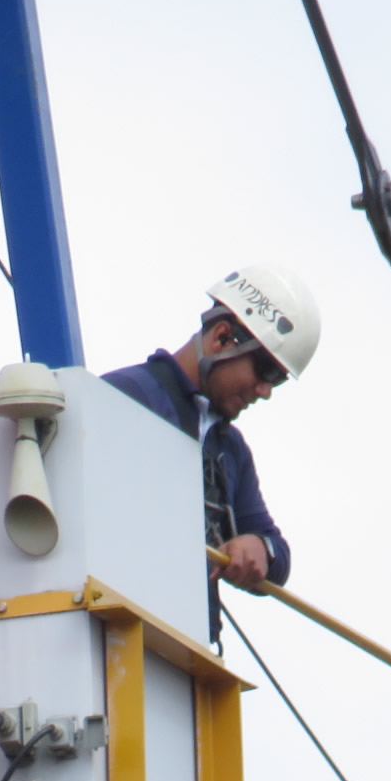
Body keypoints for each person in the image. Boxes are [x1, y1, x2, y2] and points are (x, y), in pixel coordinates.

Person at [102, 264, 320, 636]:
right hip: (112, 628)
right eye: (265, 370)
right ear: (222, 338)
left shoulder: (230, 450)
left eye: (278, 380)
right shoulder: (124, 397)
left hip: (185, 656)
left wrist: (259, 549)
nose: (265, 391)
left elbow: (277, 551)